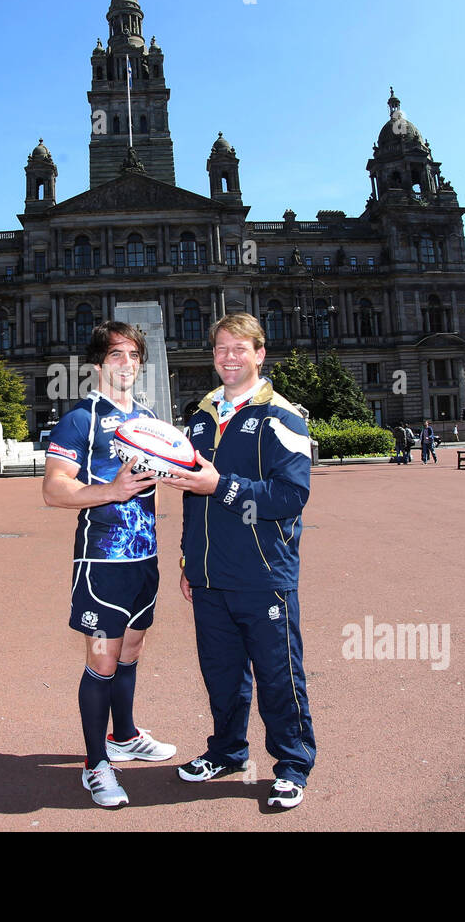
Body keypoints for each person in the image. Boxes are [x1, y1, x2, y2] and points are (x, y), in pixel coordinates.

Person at [160, 312, 315, 810]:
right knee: (221, 672)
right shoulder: (201, 416)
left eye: (239, 348)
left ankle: (292, 765)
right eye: (221, 348)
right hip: (209, 574)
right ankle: (226, 751)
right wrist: (187, 559)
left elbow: (291, 496)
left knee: (278, 674)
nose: (229, 357)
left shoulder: (283, 416)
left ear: (259, 353)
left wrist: (221, 486)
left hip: (263, 573)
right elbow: (190, 495)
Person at [43, 320, 176, 808]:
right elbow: (54, 487)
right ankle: (95, 763)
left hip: (145, 556)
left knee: (131, 650)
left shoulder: (144, 417)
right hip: (101, 558)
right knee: (102, 658)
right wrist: (109, 492)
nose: (127, 365)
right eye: (117, 356)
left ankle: (124, 736)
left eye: (134, 356)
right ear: (98, 364)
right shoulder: (80, 418)